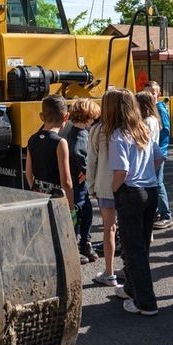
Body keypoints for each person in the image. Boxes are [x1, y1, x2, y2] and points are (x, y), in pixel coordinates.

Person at [105, 89, 164, 316]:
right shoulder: (143, 130)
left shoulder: (117, 135)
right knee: (141, 247)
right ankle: (132, 288)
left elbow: (121, 171)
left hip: (131, 192)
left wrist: (113, 190)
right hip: (150, 190)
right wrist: (147, 173)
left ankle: (146, 302)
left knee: (133, 249)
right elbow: (159, 158)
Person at [88, 110, 120, 287]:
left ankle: (109, 272)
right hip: (130, 186)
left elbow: (91, 160)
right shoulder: (133, 127)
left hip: (106, 184)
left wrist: (91, 186)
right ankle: (129, 270)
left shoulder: (99, 129)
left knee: (109, 228)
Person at [67, 99, 101, 264]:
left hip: (75, 180)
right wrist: (85, 170)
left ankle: (83, 242)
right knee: (82, 212)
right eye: (92, 118)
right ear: (87, 117)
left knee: (82, 211)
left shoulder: (74, 132)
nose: (93, 121)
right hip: (78, 181)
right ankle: (82, 243)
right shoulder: (81, 134)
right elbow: (78, 153)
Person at [25, 95, 73, 209]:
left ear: (41, 116)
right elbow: (66, 181)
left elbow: (28, 173)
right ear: (66, 117)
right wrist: (70, 208)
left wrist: (36, 189)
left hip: (38, 197)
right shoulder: (60, 142)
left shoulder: (32, 139)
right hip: (56, 200)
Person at [144, 81, 173, 230]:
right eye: (147, 92)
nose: (149, 96)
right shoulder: (149, 110)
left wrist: (160, 151)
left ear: (158, 94)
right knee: (153, 182)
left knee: (158, 182)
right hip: (153, 152)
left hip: (158, 152)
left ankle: (166, 214)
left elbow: (166, 131)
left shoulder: (160, 109)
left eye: (152, 93)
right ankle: (157, 212)